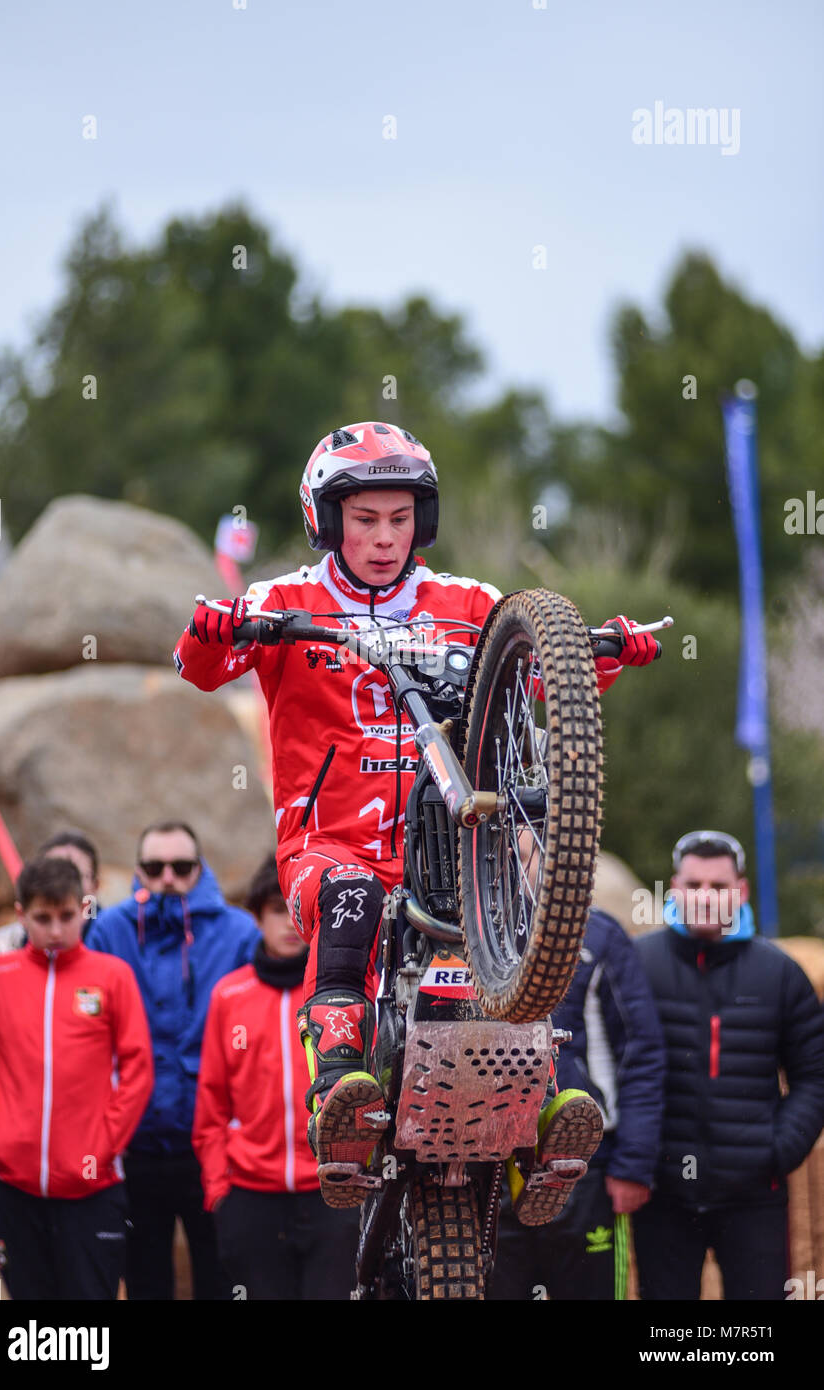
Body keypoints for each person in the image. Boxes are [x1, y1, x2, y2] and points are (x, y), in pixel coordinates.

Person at [174, 421, 660, 1209]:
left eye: (400, 519)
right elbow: (198, 668)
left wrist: (597, 655)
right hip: (331, 844)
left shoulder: (468, 603)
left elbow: (537, 683)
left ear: (422, 522)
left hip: (451, 850)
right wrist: (214, 627)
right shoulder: (285, 599)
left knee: (501, 942)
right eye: (364, 520)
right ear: (327, 520)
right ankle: (341, 1091)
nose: (383, 538)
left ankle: (538, 1115)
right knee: (353, 900)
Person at [633, 829, 824, 1301]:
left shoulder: (779, 973)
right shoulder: (638, 965)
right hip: (664, 1196)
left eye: (718, 888)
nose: (704, 898)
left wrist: (776, 1151)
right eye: (693, 886)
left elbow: (814, 1076)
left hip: (754, 1196)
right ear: (674, 888)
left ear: (740, 892)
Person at [0, 857, 152, 1300]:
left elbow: (137, 1067)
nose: (56, 929)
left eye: (66, 916)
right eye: (42, 918)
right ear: (20, 913)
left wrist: (104, 1144)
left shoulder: (112, 977)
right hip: (10, 1187)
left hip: (91, 1187)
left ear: (84, 909)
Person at [85, 819, 261, 1300]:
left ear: (199, 868)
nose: (167, 877)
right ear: (138, 871)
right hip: (134, 1143)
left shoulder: (239, 932)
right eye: (154, 867)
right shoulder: (108, 931)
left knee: (222, 1275)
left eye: (180, 867)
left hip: (216, 1143)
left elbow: (257, 1032)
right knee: (145, 1278)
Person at [193, 853, 360, 1299]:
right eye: (276, 910)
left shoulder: (347, 998)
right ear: (256, 917)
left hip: (334, 1193)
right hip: (250, 1199)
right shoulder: (229, 997)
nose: (289, 923)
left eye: (298, 911)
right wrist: (219, 1193)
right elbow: (210, 1106)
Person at [489, 907, 666, 1300]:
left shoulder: (599, 932)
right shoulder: (460, 926)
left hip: (584, 1162)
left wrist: (634, 1165)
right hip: (487, 1165)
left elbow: (640, 1052)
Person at [0, 830, 102, 1223]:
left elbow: (134, 1063)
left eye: (74, 874)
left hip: (88, 1162)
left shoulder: (114, 955)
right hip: (5, 1158)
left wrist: (107, 1140)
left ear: (92, 888)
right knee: (11, 1278)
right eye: (52, 870)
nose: (60, 882)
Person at [0, 829, 101, 1009]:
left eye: (77, 876)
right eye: (53, 875)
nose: (64, 885)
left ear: (96, 886)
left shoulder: (117, 941)